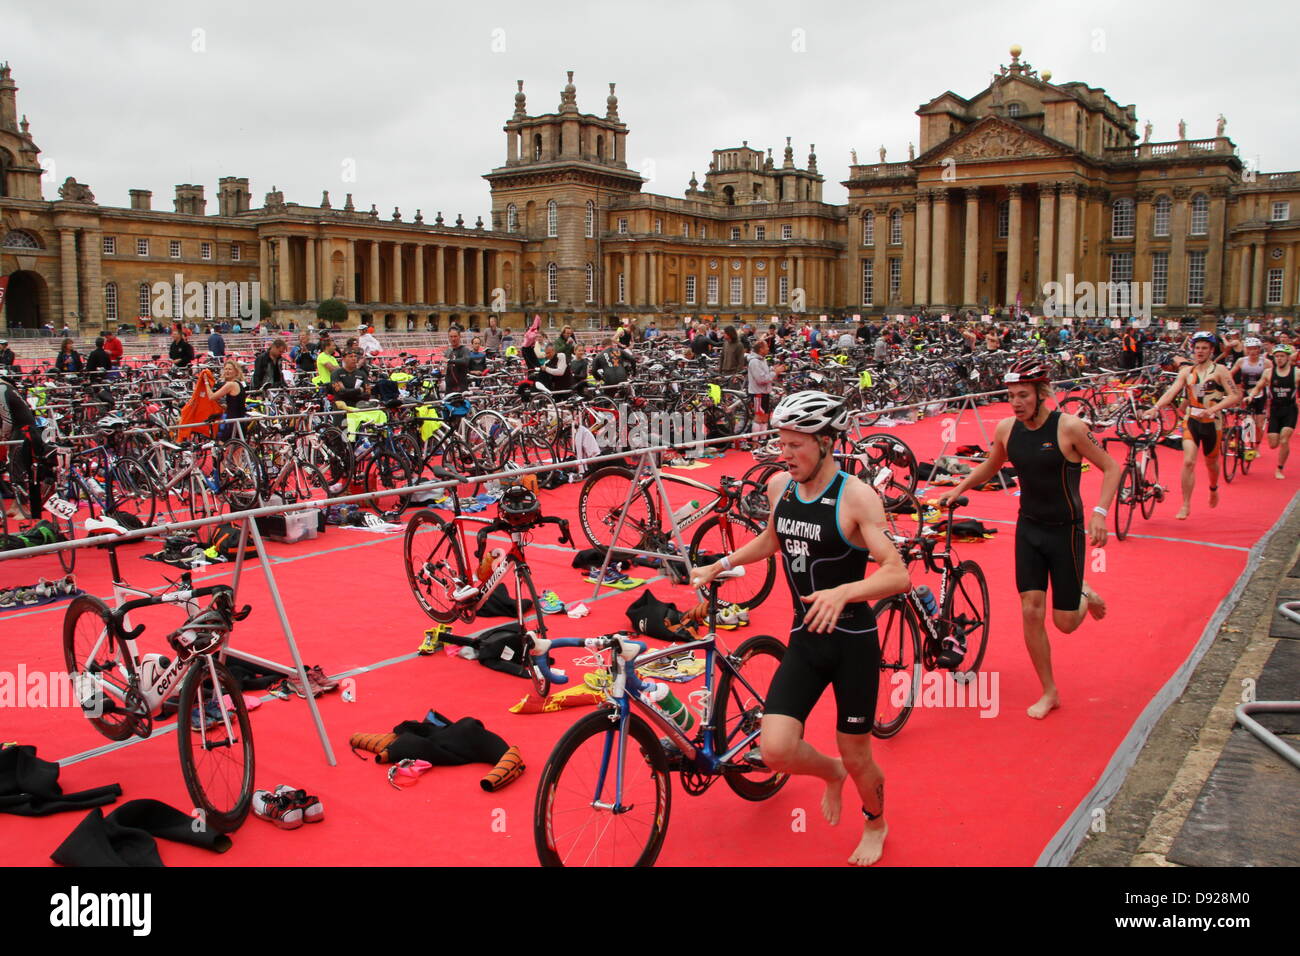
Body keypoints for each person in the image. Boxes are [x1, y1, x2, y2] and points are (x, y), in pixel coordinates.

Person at [690, 391, 910, 866]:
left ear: (828, 442)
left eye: (796, 445)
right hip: (805, 638)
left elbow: (898, 573)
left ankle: (875, 820)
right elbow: (773, 538)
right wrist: (720, 564)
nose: (785, 454)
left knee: (859, 756)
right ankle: (830, 772)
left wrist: (844, 592)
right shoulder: (780, 488)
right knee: (776, 750)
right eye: (782, 443)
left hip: (852, 641)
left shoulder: (856, 496)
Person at [938, 358, 1121, 719]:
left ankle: (1082, 593)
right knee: (1030, 610)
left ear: (1041, 394)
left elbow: (1112, 467)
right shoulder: (1007, 429)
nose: (1016, 402)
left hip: (1066, 531)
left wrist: (1100, 513)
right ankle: (1049, 691)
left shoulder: (1069, 428)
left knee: (1065, 623)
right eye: (1011, 396)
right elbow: (991, 466)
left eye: (1023, 395)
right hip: (1029, 529)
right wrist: (956, 487)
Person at [1143, 331, 1239, 519]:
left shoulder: (1219, 371)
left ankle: (1213, 487)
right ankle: (1185, 504)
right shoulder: (1187, 372)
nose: (1200, 351)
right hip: (1192, 420)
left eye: (1204, 348)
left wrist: (1213, 409)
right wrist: (1155, 407)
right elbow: (1171, 392)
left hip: (1213, 423)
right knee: (1188, 461)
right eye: (1197, 348)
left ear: (1211, 350)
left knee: (1212, 463)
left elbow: (1235, 395)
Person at [1246, 344, 1296, 479]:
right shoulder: (1268, 373)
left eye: (1282, 356)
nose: (1279, 359)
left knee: (1284, 440)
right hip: (1274, 410)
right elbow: (1258, 386)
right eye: (1277, 356)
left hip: (1290, 409)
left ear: (1288, 358)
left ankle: (1279, 468)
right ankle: (1279, 439)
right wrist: (1251, 395)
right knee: (1273, 444)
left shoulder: (1296, 373)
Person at [1231, 337, 1270, 462]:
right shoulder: (1241, 361)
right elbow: (1229, 374)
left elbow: (1273, 378)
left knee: (1259, 424)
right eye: (1249, 349)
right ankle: (1244, 441)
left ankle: (1256, 447)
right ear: (1246, 350)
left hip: (1261, 394)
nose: (1252, 351)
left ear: (1259, 350)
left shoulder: (1266, 363)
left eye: (1255, 349)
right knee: (1247, 421)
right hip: (1246, 393)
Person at [746, 337, 784, 432]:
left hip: (764, 392)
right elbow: (761, 379)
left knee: (765, 418)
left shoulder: (762, 359)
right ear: (760, 349)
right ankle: (756, 441)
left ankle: (763, 440)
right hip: (758, 394)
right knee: (759, 418)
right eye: (766, 347)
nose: (768, 348)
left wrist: (772, 369)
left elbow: (764, 373)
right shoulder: (754, 362)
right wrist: (776, 373)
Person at [212, 360, 247, 441]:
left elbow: (212, 397)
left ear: (236, 371)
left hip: (232, 422)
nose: (227, 371)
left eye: (230, 369)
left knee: (222, 444)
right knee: (236, 450)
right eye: (226, 369)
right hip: (240, 420)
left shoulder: (230, 384)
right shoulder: (239, 384)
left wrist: (206, 382)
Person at [444, 327, 471, 392]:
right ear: (448, 337)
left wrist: (449, 361)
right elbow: (444, 368)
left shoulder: (464, 350)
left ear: (459, 336)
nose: (453, 339)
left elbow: (465, 361)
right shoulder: (448, 351)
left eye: (455, 336)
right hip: (449, 387)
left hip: (461, 386)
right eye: (451, 336)